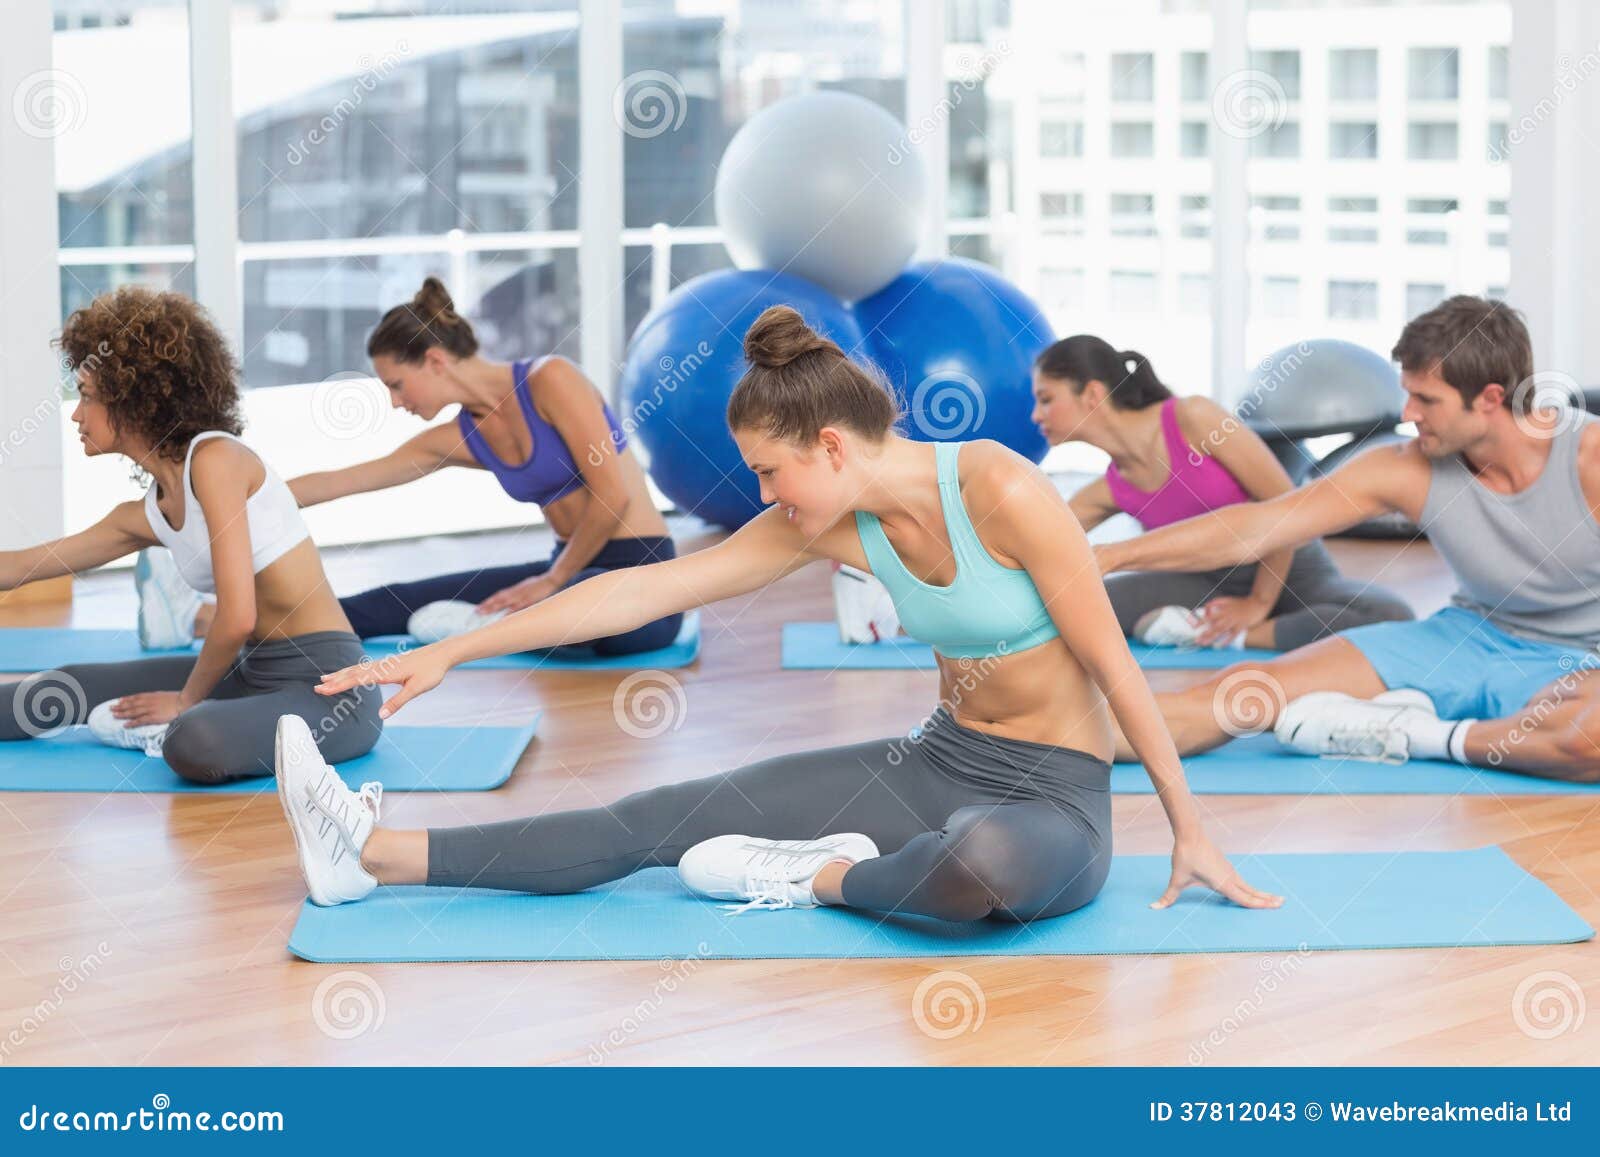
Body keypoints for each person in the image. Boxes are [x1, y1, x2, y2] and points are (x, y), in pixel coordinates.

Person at [273, 304, 1282, 921]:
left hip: (1054, 799)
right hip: (933, 761)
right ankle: (373, 854)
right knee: (659, 819)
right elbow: (643, 587)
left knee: (981, 864)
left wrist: (1187, 828)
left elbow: (1114, 665)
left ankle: (821, 880)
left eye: (771, 471)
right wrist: (461, 647)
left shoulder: (1004, 492)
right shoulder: (823, 522)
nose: (763, 495)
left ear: (833, 447)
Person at [1091, 296, 1600, 783]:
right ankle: (1044, 744)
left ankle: (1413, 732)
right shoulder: (1406, 468)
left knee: (1590, 740)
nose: (1407, 413)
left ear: (1490, 399)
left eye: (1426, 399)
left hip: (1583, 659)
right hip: (1460, 641)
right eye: (1407, 392)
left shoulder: (1589, 459)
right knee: (1243, 692)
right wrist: (1111, 556)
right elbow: (1256, 526)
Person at [148, 277, 682, 656]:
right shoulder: (459, 436)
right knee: (384, 604)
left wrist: (553, 579)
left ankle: (484, 624)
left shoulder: (551, 381)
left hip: (639, 572)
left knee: (573, 607)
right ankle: (196, 620)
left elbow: (615, 494)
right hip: (564, 568)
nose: (396, 403)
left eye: (397, 385)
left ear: (435, 360)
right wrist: (221, 496)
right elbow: (347, 480)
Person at [0, 287, 381, 784]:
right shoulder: (146, 513)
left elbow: (238, 615)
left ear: (133, 399)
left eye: (87, 397)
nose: (76, 414)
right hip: (247, 677)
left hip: (332, 689)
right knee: (56, 690)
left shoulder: (216, 459)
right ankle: (183, 718)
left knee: (196, 739)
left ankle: (180, 722)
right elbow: (18, 568)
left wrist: (184, 701)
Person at [1033, 335, 1412, 651]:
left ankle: (1225, 634)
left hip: (1292, 568)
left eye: (1046, 398)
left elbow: (1285, 508)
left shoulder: (1195, 418)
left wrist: (1257, 605)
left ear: (1093, 394)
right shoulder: (1107, 491)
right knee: (1071, 608)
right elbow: (1037, 541)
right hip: (1203, 583)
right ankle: (1217, 627)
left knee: (1388, 616)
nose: (1036, 415)